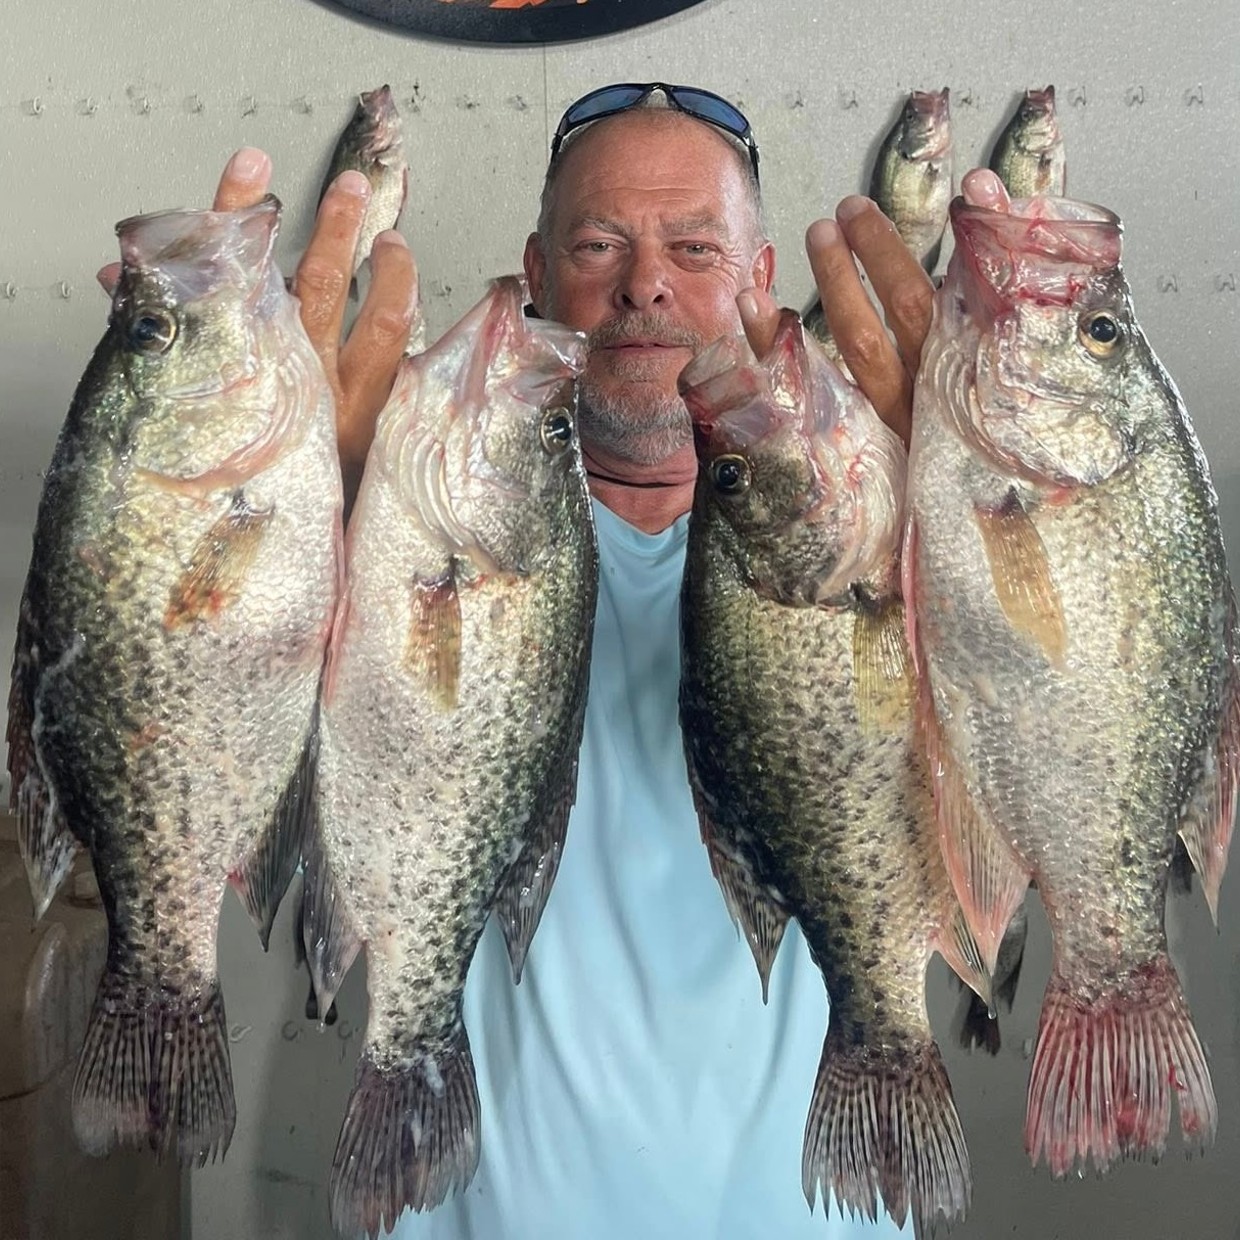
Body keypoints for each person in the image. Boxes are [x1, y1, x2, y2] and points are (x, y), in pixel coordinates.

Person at [188, 82, 1003, 1239]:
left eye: (694, 248)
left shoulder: (889, 548)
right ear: (537, 273)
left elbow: (1044, 772)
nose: (645, 284)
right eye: (598, 244)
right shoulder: (396, 535)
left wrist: (974, 519)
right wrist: (270, 500)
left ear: (760, 275)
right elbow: (195, 722)